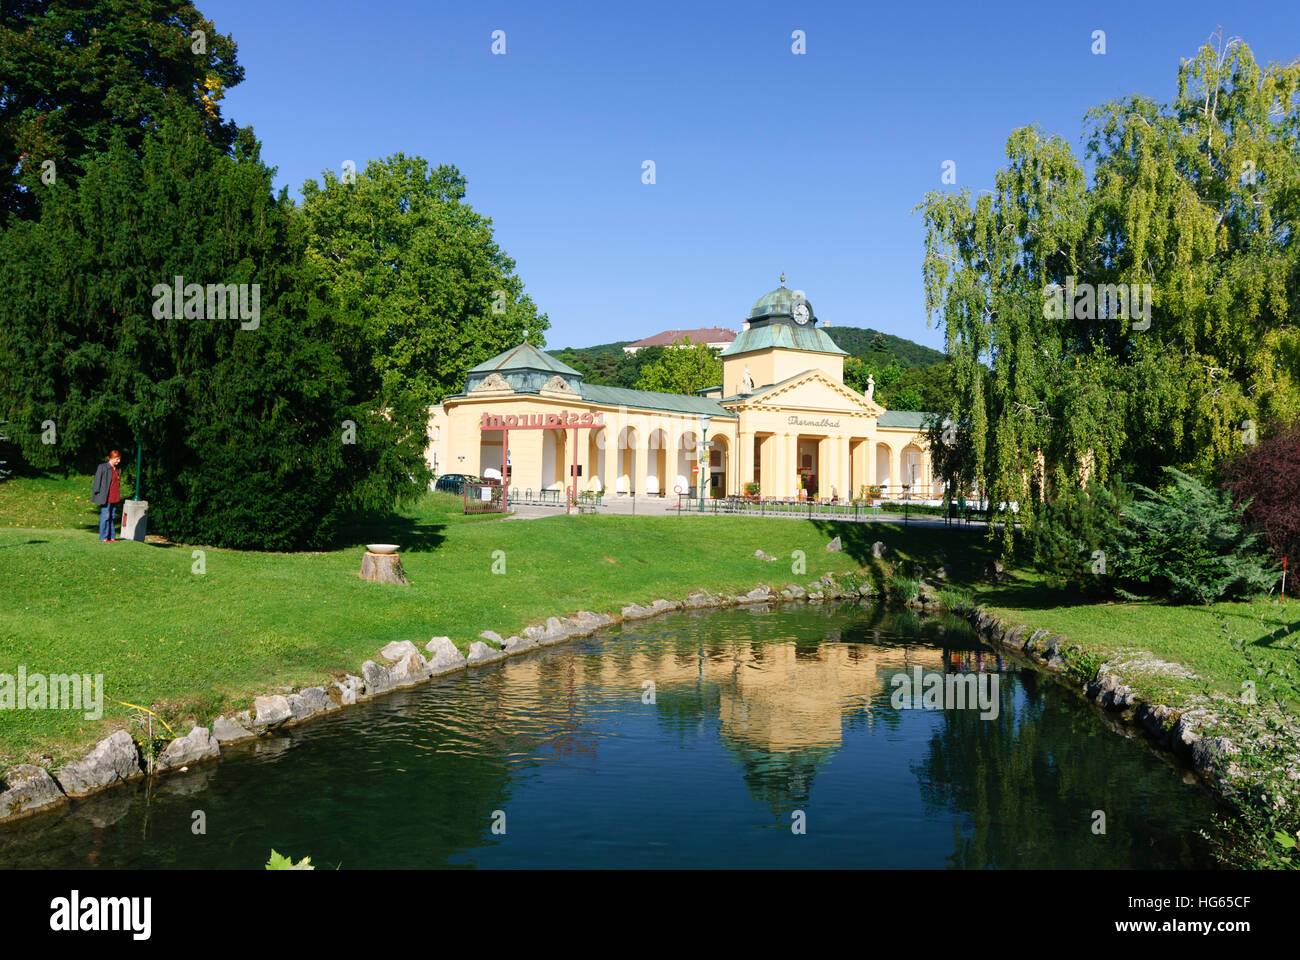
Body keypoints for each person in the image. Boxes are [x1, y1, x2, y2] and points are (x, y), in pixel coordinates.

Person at [91, 450, 124, 542]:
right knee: (105, 516)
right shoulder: (102, 467)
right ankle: (104, 537)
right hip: (106, 497)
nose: (118, 461)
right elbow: (97, 481)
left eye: (119, 459)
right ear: (111, 458)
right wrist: (97, 493)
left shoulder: (116, 469)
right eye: (117, 459)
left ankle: (111, 537)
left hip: (114, 497)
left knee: (112, 517)